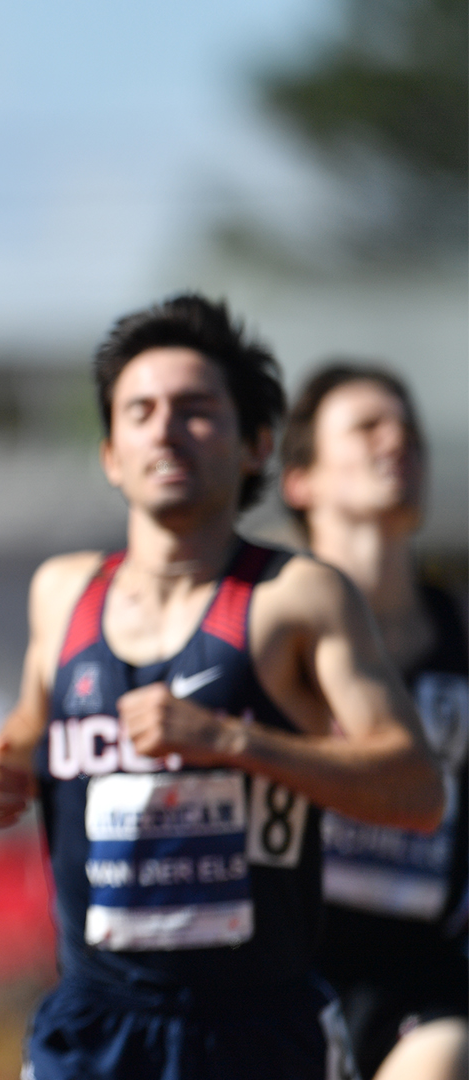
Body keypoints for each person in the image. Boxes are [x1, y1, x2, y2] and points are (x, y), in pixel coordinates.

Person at [0, 294, 444, 1080]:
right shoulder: (63, 592)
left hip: (256, 1032)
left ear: (256, 445)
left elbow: (417, 790)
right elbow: (21, 737)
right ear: (111, 451)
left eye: (196, 408)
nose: (166, 428)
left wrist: (229, 741)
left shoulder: (298, 597)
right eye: (139, 410)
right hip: (94, 1025)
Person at [280, 363, 468, 1080]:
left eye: (410, 431)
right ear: (302, 479)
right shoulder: (265, 629)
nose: (398, 442)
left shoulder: (459, 626)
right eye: (367, 427)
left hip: (421, 968)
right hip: (282, 965)